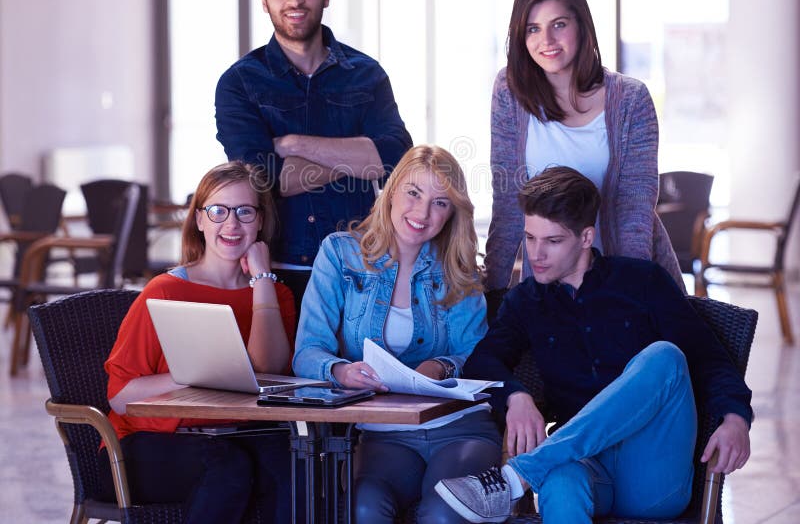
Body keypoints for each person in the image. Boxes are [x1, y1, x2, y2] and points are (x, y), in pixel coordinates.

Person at [434, 166, 752, 524]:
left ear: (586, 238)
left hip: (651, 476)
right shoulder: (525, 301)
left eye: (552, 241)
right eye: (530, 238)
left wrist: (736, 416)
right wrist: (516, 397)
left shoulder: (642, 281)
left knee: (665, 357)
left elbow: (707, 357)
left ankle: (515, 478)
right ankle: (525, 474)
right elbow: (483, 361)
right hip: (586, 468)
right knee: (560, 482)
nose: (536, 254)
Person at [293, 144, 502, 523]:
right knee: (364, 509)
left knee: (442, 512)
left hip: (458, 426)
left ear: (451, 213)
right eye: (414, 193)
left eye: (440, 203)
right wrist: (340, 371)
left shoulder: (457, 267)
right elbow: (307, 350)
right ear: (391, 191)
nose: (422, 213)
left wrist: (440, 367)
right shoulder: (340, 255)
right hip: (382, 435)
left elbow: (477, 354)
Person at [215, 0, 413, 313]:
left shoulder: (367, 76)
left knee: (355, 372)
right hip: (273, 271)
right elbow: (263, 179)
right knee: (277, 372)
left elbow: (396, 161)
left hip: (361, 268)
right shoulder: (239, 83)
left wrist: (293, 143)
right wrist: (354, 157)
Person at [99, 162, 299, 523]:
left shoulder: (276, 295)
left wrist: (263, 280)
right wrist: (199, 375)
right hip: (154, 441)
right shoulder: (165, 291)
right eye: (218, 211)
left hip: (245, 434)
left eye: (245, 211)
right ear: (200, 220)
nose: (232, 224)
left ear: (261, 221)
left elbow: (270, 369)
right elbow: (120, 396)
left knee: (295, 470)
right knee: (228, 468)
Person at [484, 0, 682, 317]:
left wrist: (624, 298)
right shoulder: (509, 93)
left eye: (559, 24)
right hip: (550, 285)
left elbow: (634, 207)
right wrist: (493, 294)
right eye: (533, 28)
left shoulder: (630, 99)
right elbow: (508, 205)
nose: (546, 39)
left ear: (582, 26)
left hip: (626, 277)